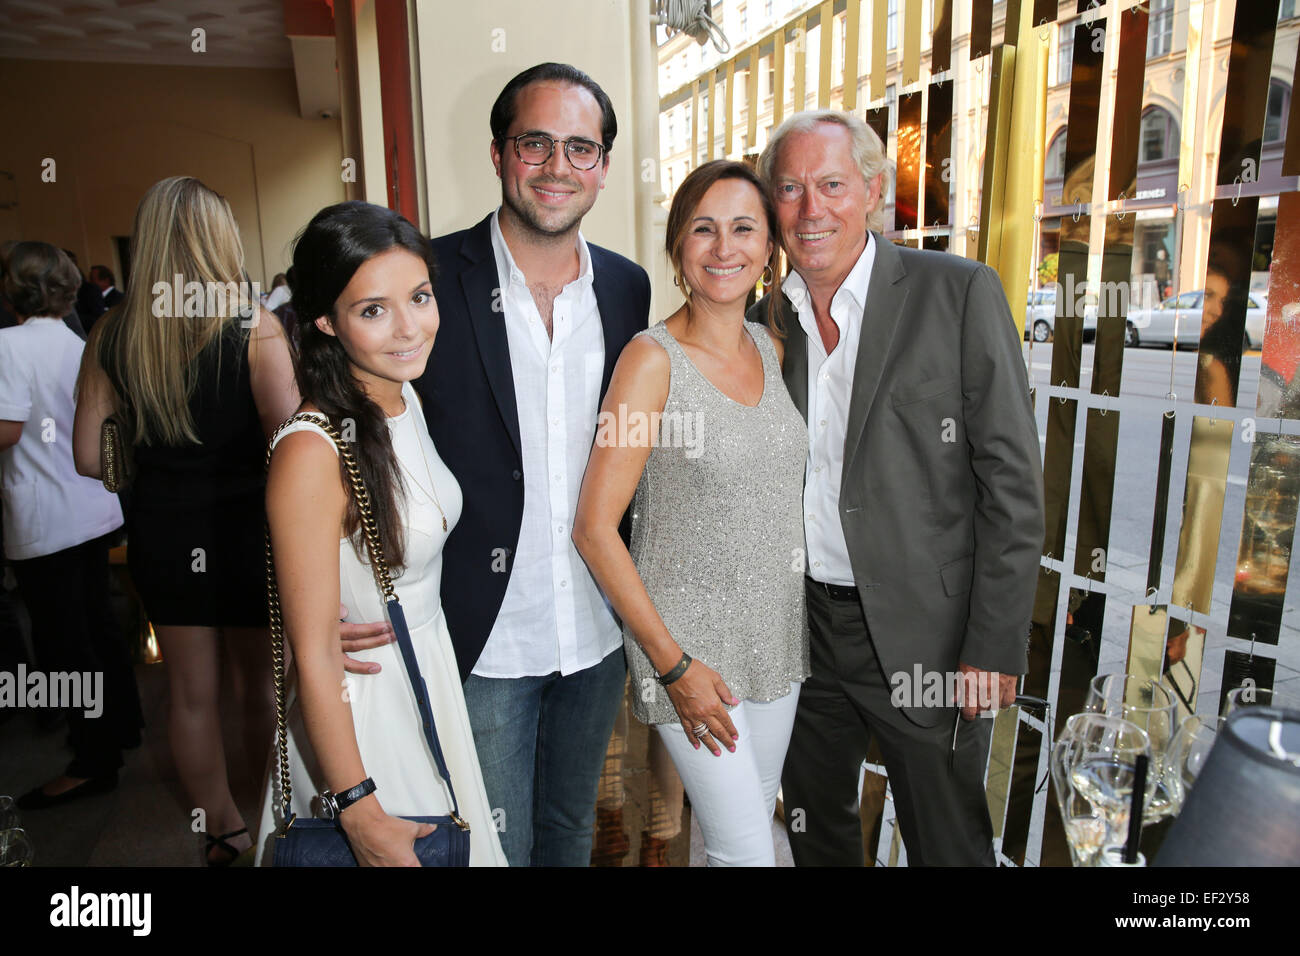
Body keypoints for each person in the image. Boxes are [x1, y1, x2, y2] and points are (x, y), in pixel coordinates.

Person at [751, 110, 1044, 866]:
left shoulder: (958, 293)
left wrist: (994, 647)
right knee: (816, 837)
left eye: (832, 185)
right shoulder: (760, 323)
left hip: (931, 642)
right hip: (804, 636)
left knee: (948, 845)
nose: (810, 209)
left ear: (874, 191)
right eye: (790, 188)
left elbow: (1011, 485)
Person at [387, 62, 649, 867]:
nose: (557, 166)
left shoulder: (627, 289)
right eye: (535, 143)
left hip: (596, 625)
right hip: (484, 628)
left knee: (570, 833)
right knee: (492, 844)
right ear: (500, 155)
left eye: (580, 147)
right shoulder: (426, 278)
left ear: (603, 167)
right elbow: (360, 427)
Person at [255, 201, 505, 867]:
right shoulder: (311, 451)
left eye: (420, 297)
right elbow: (311, 654)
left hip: (430, 677)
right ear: (325, 320)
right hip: (365, 713)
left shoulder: (402, 396)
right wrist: (358, 807)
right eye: (373, 310)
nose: (409, 328)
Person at [573, 160, 809, 866]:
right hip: (690, 654)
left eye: (744, 229)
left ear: (769, 248)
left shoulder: (773, 347)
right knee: (748, 854)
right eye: (703, 229)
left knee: (734, 837)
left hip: (777, 644)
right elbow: (592, 529)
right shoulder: (650, 360)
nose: (724, 247)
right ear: (679, 245)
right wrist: (674, 668)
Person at [72, 176, 299, 865]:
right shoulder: (252, 323)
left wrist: (149, 463)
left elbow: (88, 457)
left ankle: (220, 830)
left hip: (162, 535)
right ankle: (263, 818)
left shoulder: (114, 333)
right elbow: (291, 441)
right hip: (248, 532)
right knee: (260, 688)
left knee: (190, 697)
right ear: (218, 239)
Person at [0, 242, 143, 807]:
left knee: (65, 644)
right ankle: (124, 725)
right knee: (100, 628)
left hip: (46, 515)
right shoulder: (77, 340)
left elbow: (9, 431)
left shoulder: (8, 346)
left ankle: (93, 760)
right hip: (89, 504)